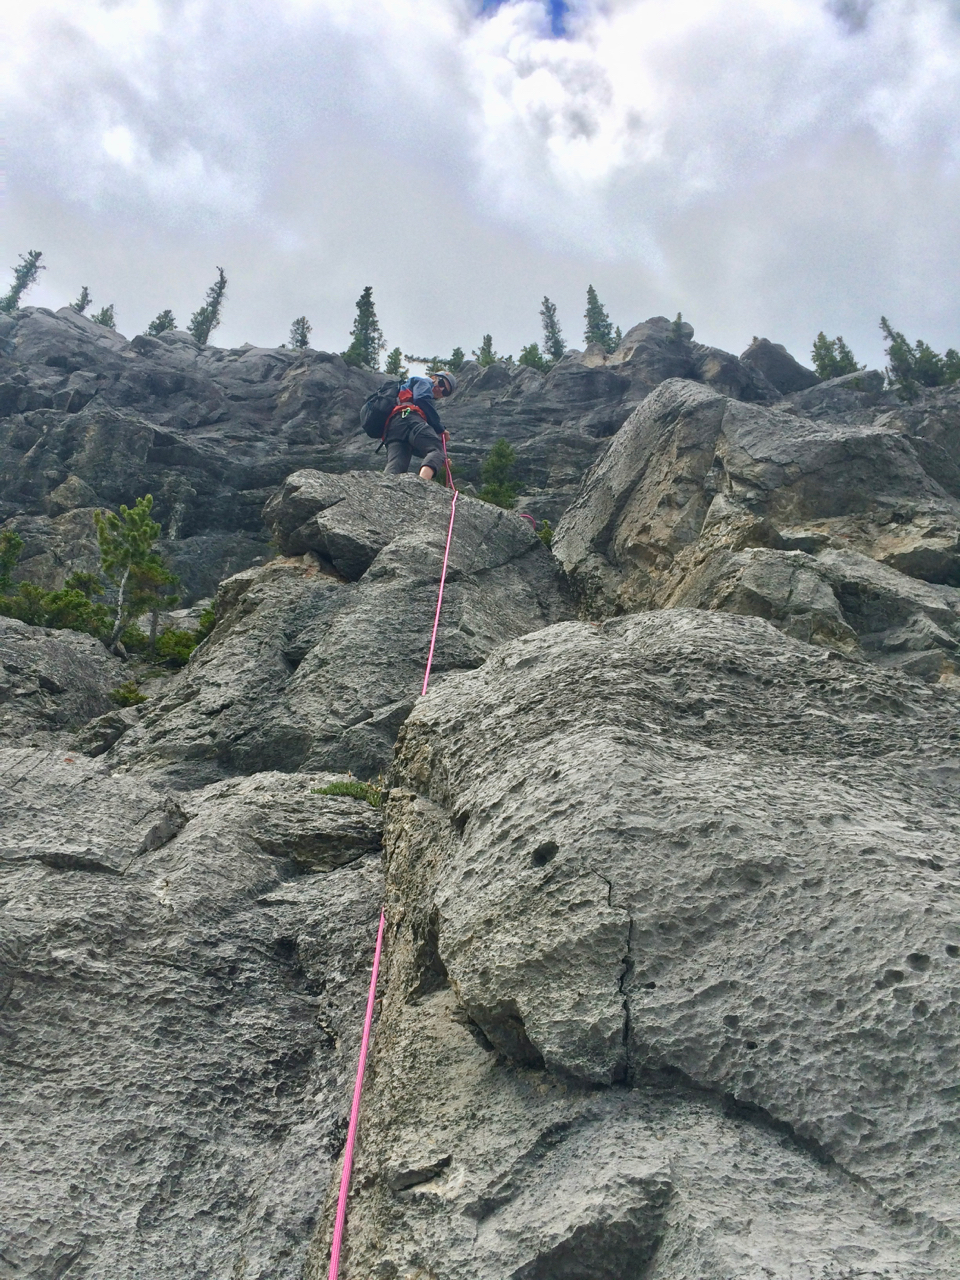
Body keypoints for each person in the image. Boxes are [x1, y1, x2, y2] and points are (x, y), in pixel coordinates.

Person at [383, 371, 457, 481]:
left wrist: (439, 459)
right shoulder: (424, 382)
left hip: (394, 426)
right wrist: (440, 429)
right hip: (409, 417)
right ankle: (421, 485)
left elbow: (420, 446)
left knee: (396, 465)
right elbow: (421, 399)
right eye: (441, 383)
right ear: (433, 378)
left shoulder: (410, 390)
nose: (441, 390)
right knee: (437, 449)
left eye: (445, 392)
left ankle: (385, 487)